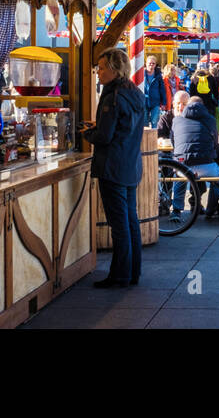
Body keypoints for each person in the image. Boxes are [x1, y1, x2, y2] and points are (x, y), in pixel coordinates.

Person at [82, 48, 147, 288]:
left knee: (119, 225)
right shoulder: (134, 93)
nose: (98, 72)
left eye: (101, 68)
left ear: (113, 69)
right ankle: (133, 272)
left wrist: (88, 132)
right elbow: (123, 127)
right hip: (130, 165)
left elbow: (105, 136)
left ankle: (119, 275)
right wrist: (99, 125)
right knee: (131, 221)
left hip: (112, 167)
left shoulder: (111, 97)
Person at [169, 89, 219, 220]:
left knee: (180, 170)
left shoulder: (177, 120)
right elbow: (215, 143)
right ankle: (211, 210)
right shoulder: (210, 120)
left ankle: (176, 210)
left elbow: (174, 142)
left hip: (184, 166)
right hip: (206, 166)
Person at [142, 56, 167, 127]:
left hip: (155, 102)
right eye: (150, 63)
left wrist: (163, 103)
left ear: (155, 65)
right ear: (146, 64)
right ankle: (145, 138)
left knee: (154, 122)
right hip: (144, 101)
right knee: (144, 122)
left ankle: (154, 137)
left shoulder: (158, 76)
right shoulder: (141, 74)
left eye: (153, 63)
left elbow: (162, 89)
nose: (151, 65)